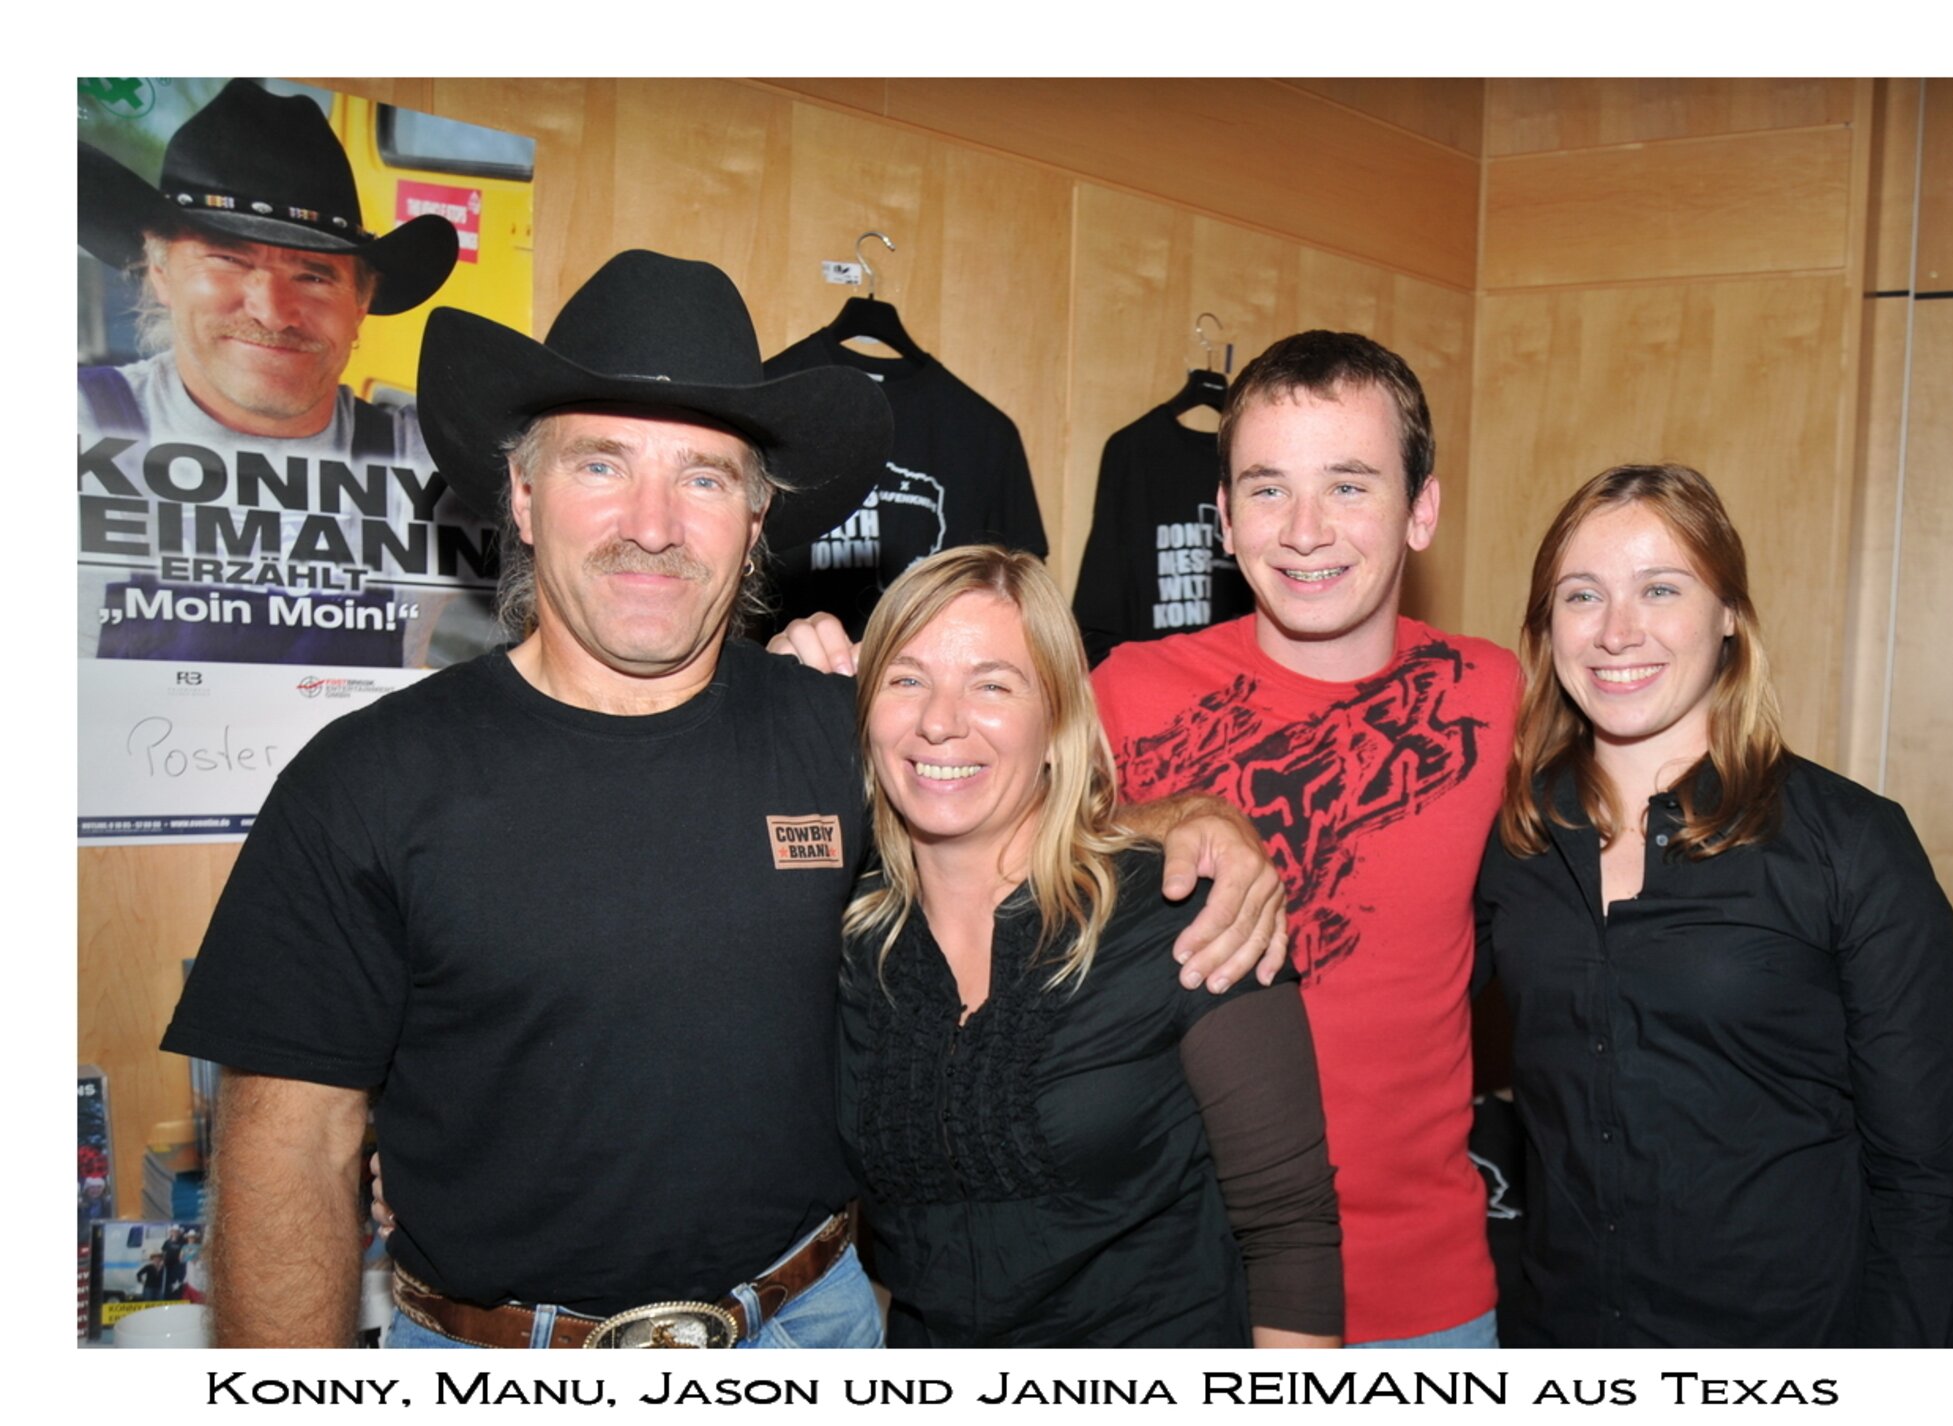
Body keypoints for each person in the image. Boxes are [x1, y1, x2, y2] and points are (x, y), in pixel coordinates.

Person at [162, 250, 1286, 1349]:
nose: (652, 522)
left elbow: (1005, 810)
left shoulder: (835, 731)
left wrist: (1195, 820)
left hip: (810, 1330)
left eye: (702, 477)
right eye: (601, 464)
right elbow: (290, 1154)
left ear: (756, 518)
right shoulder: (365, 779)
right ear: (520, 487)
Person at [774, 331, 1515, 1347]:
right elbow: (998, 811)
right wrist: (1182, 812)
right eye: (1263, 489)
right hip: (1179, 1282)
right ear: (1219, 516)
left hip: (1424, 1295)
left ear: (1419, 508)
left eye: (1348, 485)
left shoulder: (1496, 699)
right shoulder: (1122, 690)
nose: (1303, 529)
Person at [1473, 462, 1953, 1347]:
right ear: (1547, 628)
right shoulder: (1505, 842)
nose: (1618, 632)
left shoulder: (1854, 844)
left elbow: (1922, 1181)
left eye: (1661, 589)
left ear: (1729, 614)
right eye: (1582, 596)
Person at [838, 546, 1342, 1346]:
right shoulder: (853, 943)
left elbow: (1290, 1236)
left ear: (1058, 723)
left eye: (993, 684)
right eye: (906, 678)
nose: (940, 720)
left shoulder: (1184, 914)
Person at [77, 78, 486, 666]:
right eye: (227, 259)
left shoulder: (433, 466)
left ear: (361, 302)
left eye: (314, 275)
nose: (273, 311)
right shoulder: (73, 427)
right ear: (158, 272)